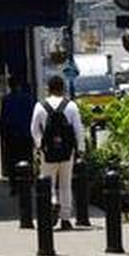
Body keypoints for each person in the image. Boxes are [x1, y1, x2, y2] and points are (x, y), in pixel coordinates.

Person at [30, 75, 85, 230]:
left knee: (48, 183)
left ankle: (53, 202)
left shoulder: (40, 106)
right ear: (63, 88)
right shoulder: (71, 106)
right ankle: (66, 219)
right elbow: (78, 130)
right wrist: (80, 149)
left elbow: (34, 129)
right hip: (67, 152)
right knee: (66, 184)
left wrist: (40, 146)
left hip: (48, 153)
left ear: (48, 88)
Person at [0, 76, 35, 191]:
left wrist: (3, 136)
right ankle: (27, 183)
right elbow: (33, 117)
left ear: (10, 86)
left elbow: (3, 120)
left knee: (12, 161)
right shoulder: (29, 99)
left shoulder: (6, 100)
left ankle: (14, 185)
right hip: (26, 134)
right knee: (27, 158)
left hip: (12, 136)